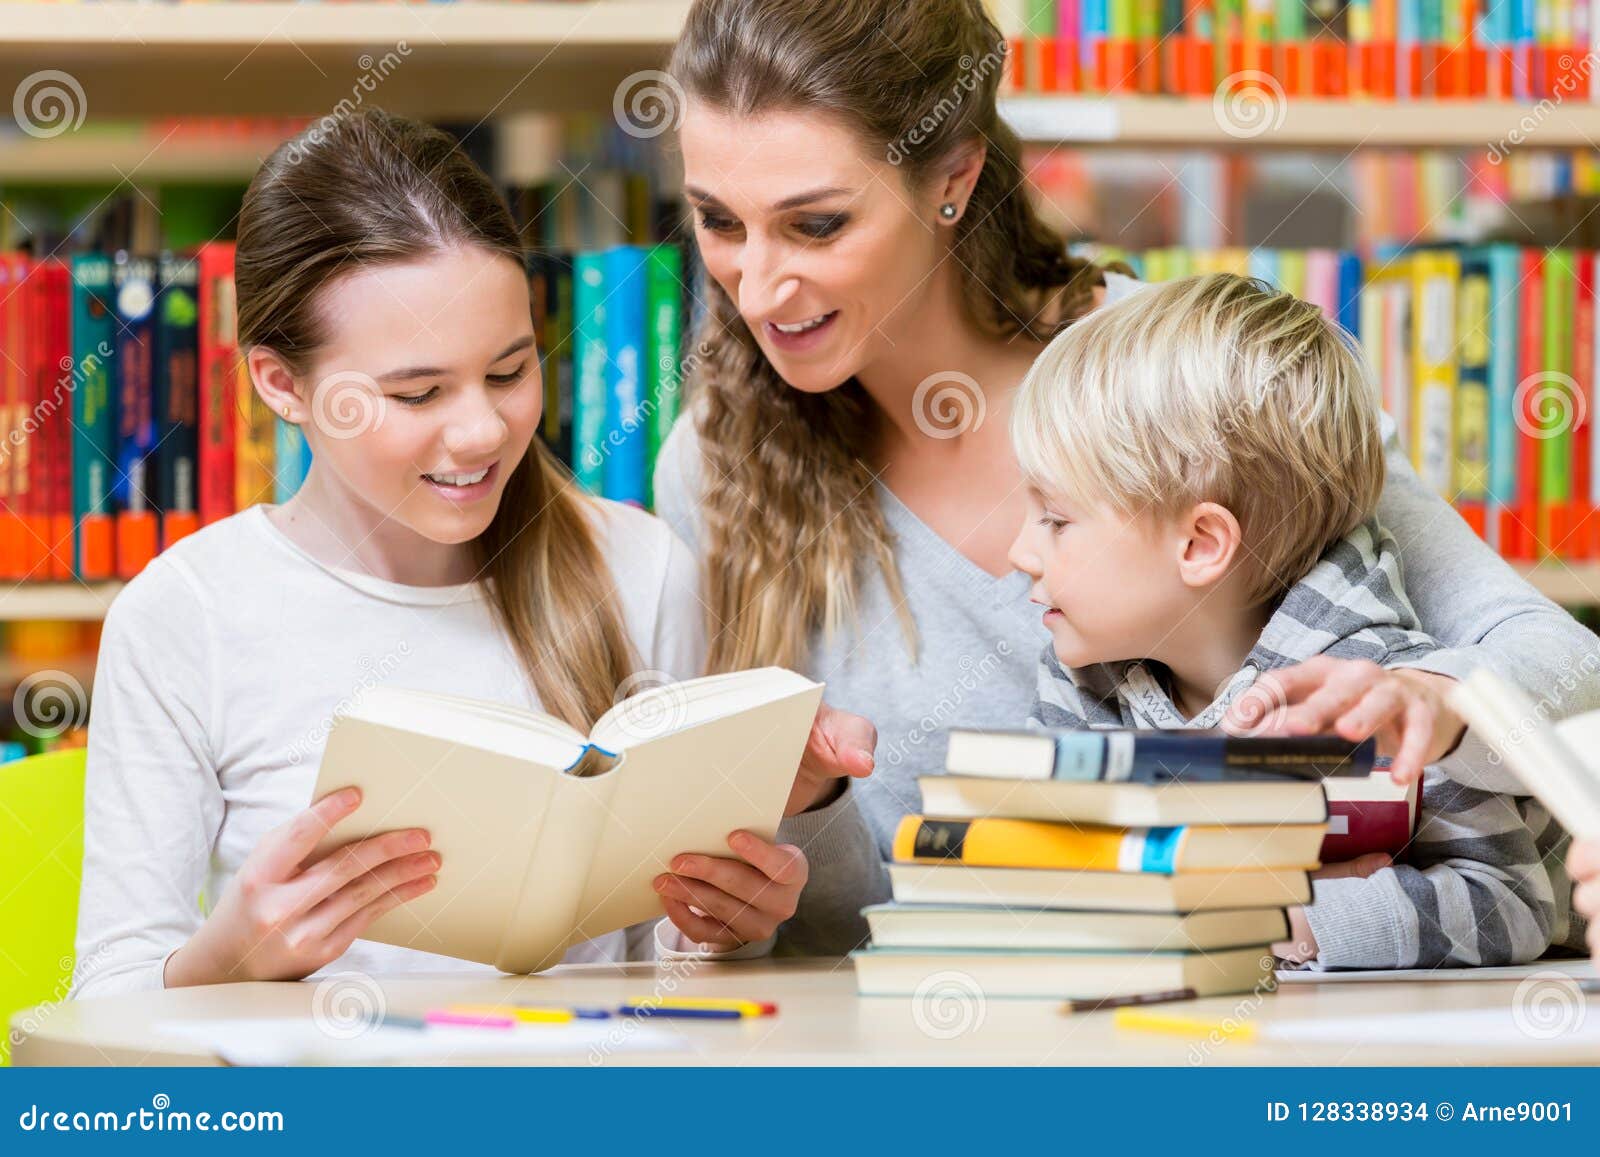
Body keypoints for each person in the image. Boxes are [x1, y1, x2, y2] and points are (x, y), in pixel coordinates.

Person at [652, 0, 1600, 954]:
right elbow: (870, 921)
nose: (758, 286)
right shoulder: (713, 464)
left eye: (816, 225)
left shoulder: (1190, 380)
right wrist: (801, 816)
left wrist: (1433, 701)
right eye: (718, 221)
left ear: (953, 177)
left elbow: (1560, 661)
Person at [71, 110, 806, 998]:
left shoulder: (642, 569)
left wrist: (730, 933)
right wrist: (229, 957)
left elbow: (676, 977)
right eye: (416, 393)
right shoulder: (185, 615)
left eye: (509, 371)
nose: (481, 431)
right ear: (281, 384)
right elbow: (98, 1016)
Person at [1012, 272, 1581, 968]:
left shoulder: (1374, 692)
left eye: (1055, 520)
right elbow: (1056, 871)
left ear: (1200, 544)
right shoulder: (1080, 670)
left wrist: (1289, 916)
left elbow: (1511, 900)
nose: (1020, 553)